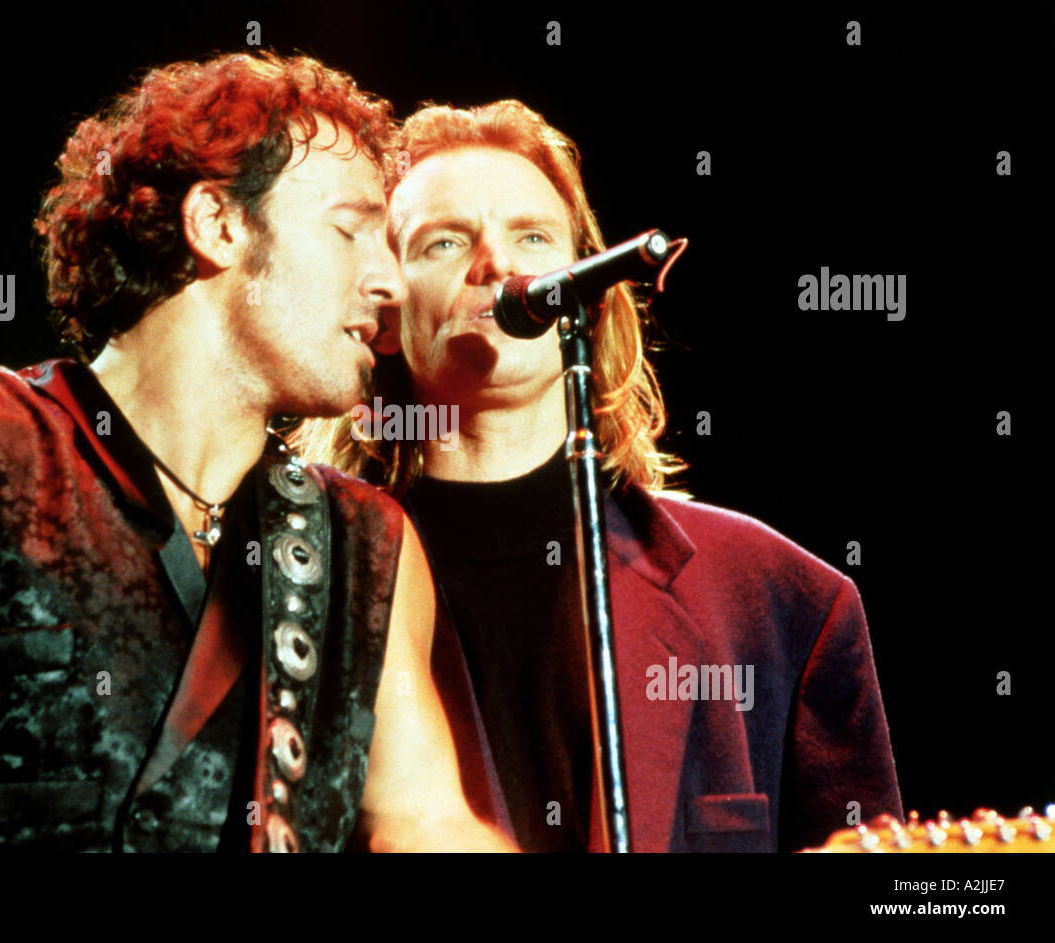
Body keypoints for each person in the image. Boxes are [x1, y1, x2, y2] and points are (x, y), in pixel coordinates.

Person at [0, 54, 515, 853]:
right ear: (218, 224)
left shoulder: (367, 546)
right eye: (351, 231)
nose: (388, 282)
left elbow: (424, 821)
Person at [298, 100, 902, 852]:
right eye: (444, 241)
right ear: (383, 312)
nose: (498, 265)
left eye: (534, 237)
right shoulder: (307, 582)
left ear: (588, 290)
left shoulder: (783, 597)